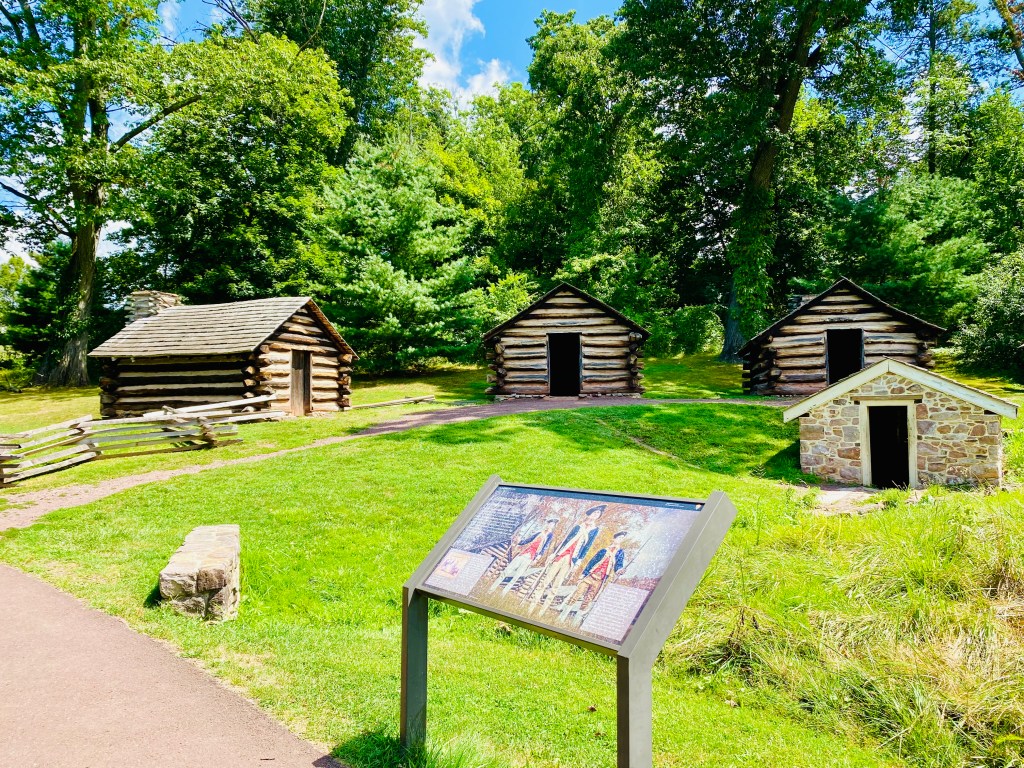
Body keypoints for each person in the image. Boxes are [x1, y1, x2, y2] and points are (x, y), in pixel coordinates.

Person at [528, 505, 604, 615]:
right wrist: (554, 554)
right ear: (590, 514)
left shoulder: (595, 530)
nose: (596, 514)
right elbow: (565, 541)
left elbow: (587, 546)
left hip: (571, 559)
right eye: (594, 512)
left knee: (556, 585)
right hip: (562, 555)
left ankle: (542, 611)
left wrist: (578, 561)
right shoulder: (578, 526)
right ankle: (531, 606)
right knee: (545, 581)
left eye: (598, 514)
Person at [559, 531, 628, 624]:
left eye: (622, 538)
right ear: (614, 539)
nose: (620, 539)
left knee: (587, 600)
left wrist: (620, 570)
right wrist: (583, 574)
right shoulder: (603, 550)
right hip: (590, 576)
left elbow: (618, 566)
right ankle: (561, 618)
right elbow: (591, 562)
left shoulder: (620, 553)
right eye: (619, 537)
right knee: (576, 595)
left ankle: (575, 623)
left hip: (600, 581)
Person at [487, 518, 557, 596]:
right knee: (505, 572)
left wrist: (537, 558)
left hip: (530, 558)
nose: (549, 526)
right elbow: (527, 541)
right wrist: (519, 541)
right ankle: (490, 591)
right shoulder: (538, 533)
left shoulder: (550, 536)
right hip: (523, 554)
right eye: (549, 523)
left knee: (515, 578)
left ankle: (502, 594)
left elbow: (545, 547)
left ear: (553, 527)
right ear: (547, 524)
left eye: (551, 525)